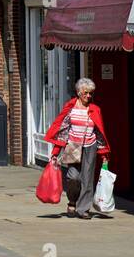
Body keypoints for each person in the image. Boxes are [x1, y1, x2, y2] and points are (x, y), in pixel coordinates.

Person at [46, 77, 111, 219]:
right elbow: (62, 131)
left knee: (87, 178)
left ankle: (83, 209)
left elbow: (99, 133)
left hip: (90, 146)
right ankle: (72, 201)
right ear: (78, 92)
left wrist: (104, 154)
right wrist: (55, 153)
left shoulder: (95, 109)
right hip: (73, 146)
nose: (88, 96)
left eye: (91, 93)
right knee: (73, 177)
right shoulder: (70, 108)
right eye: (86, 93)